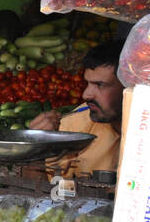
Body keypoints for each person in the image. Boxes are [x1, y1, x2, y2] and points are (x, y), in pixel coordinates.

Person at [28, 41, 126, 178]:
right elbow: (47, 187)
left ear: (129, 88)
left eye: (100, 85)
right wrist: (37, 148)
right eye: (88, 83)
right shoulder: (74, 125)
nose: (86, 95)